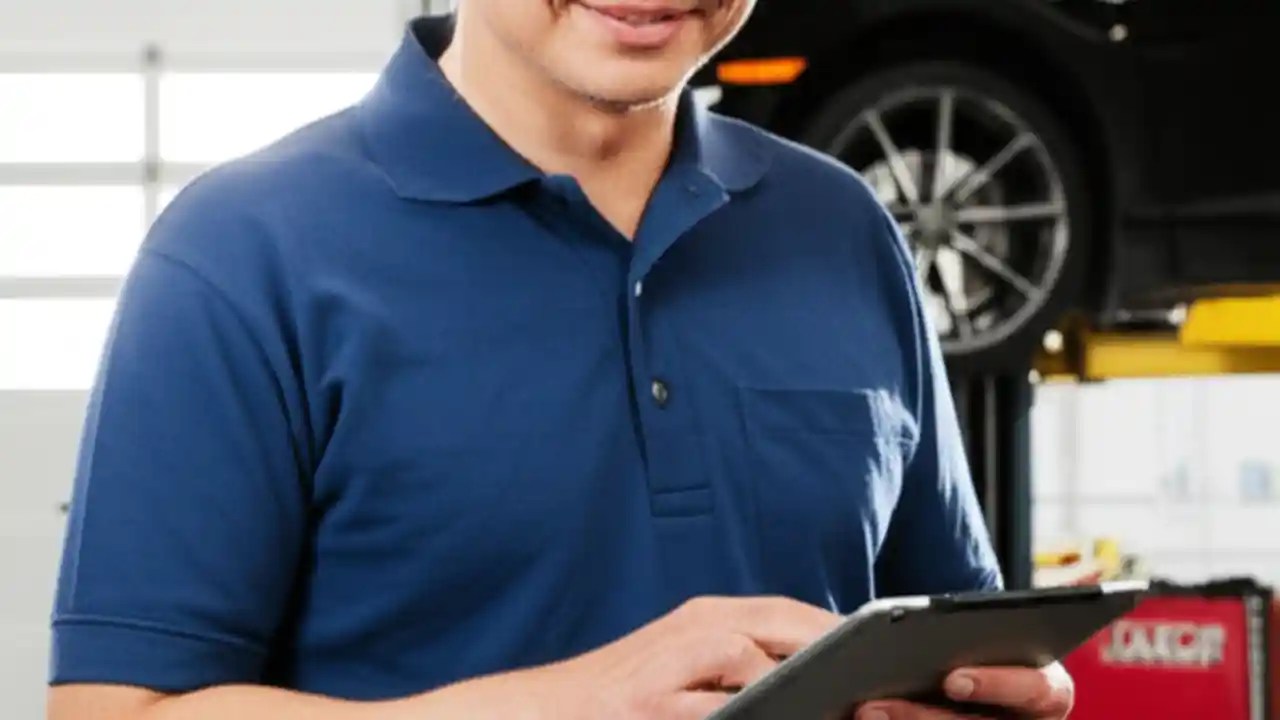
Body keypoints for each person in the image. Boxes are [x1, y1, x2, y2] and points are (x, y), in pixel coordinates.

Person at [47, 2, 1074, 719]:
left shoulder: (843, 228)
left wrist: (985, 696)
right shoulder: (240, 251)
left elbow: (940, 643)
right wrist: (561, 707)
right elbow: (116, 712)